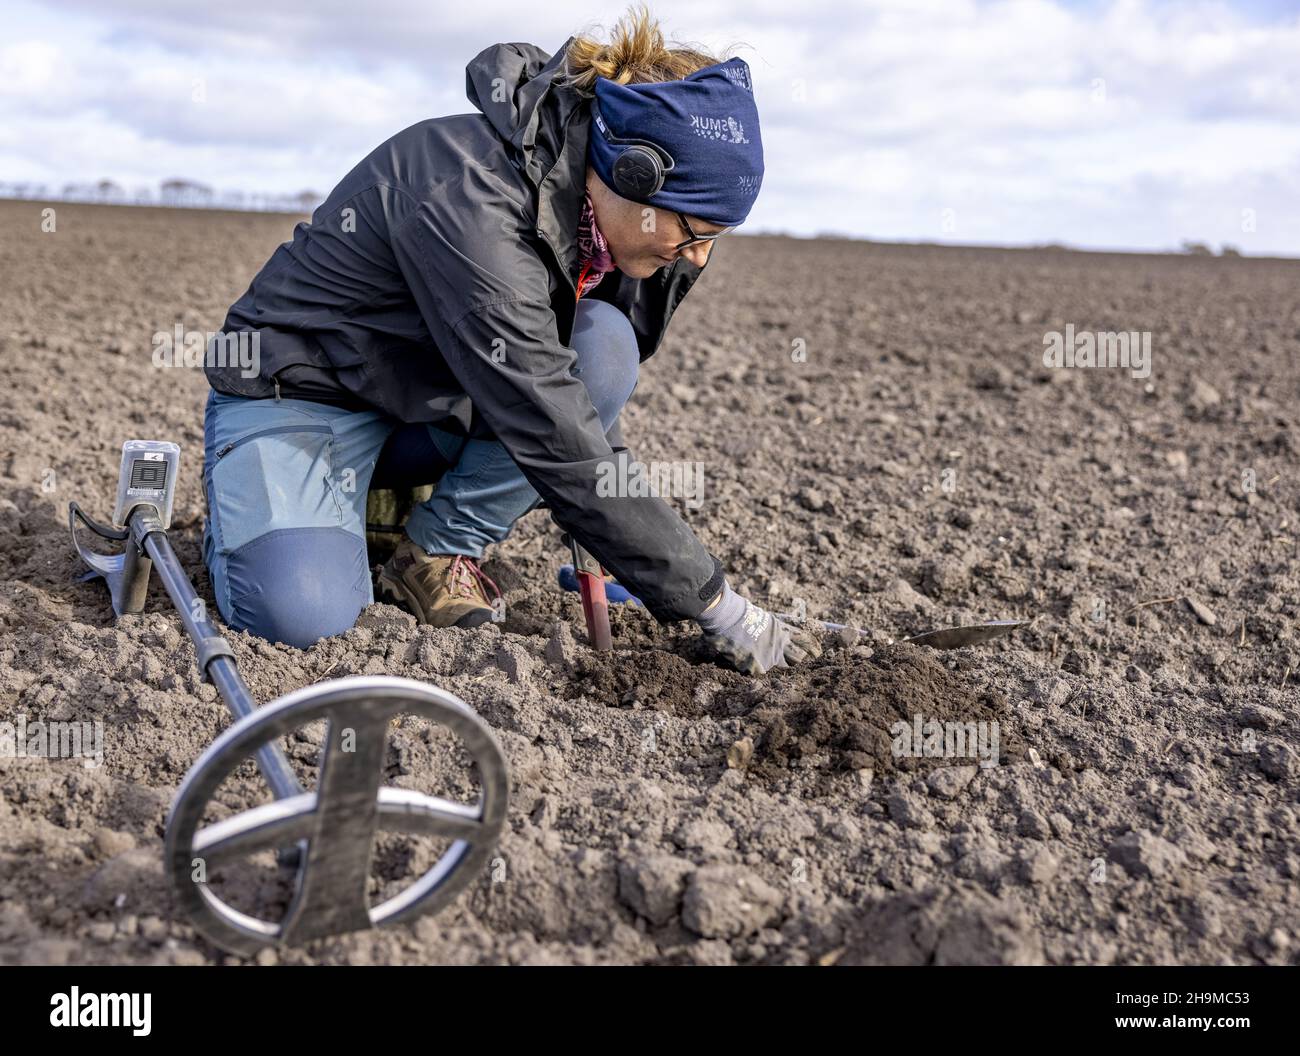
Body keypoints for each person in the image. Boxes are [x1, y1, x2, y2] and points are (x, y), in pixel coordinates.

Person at [201, 5, 818, 675]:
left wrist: (686, 581)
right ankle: (252, 522)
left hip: (427, 412)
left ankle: (431, 550)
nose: (696, 259)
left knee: (602, 348)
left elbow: (576, 409)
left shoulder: (597, 233)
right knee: (302, 618)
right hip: (303, 402)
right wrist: (718, 606)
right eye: (695, 232)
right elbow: (552, 425)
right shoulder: (468, 197)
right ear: (634, 174)